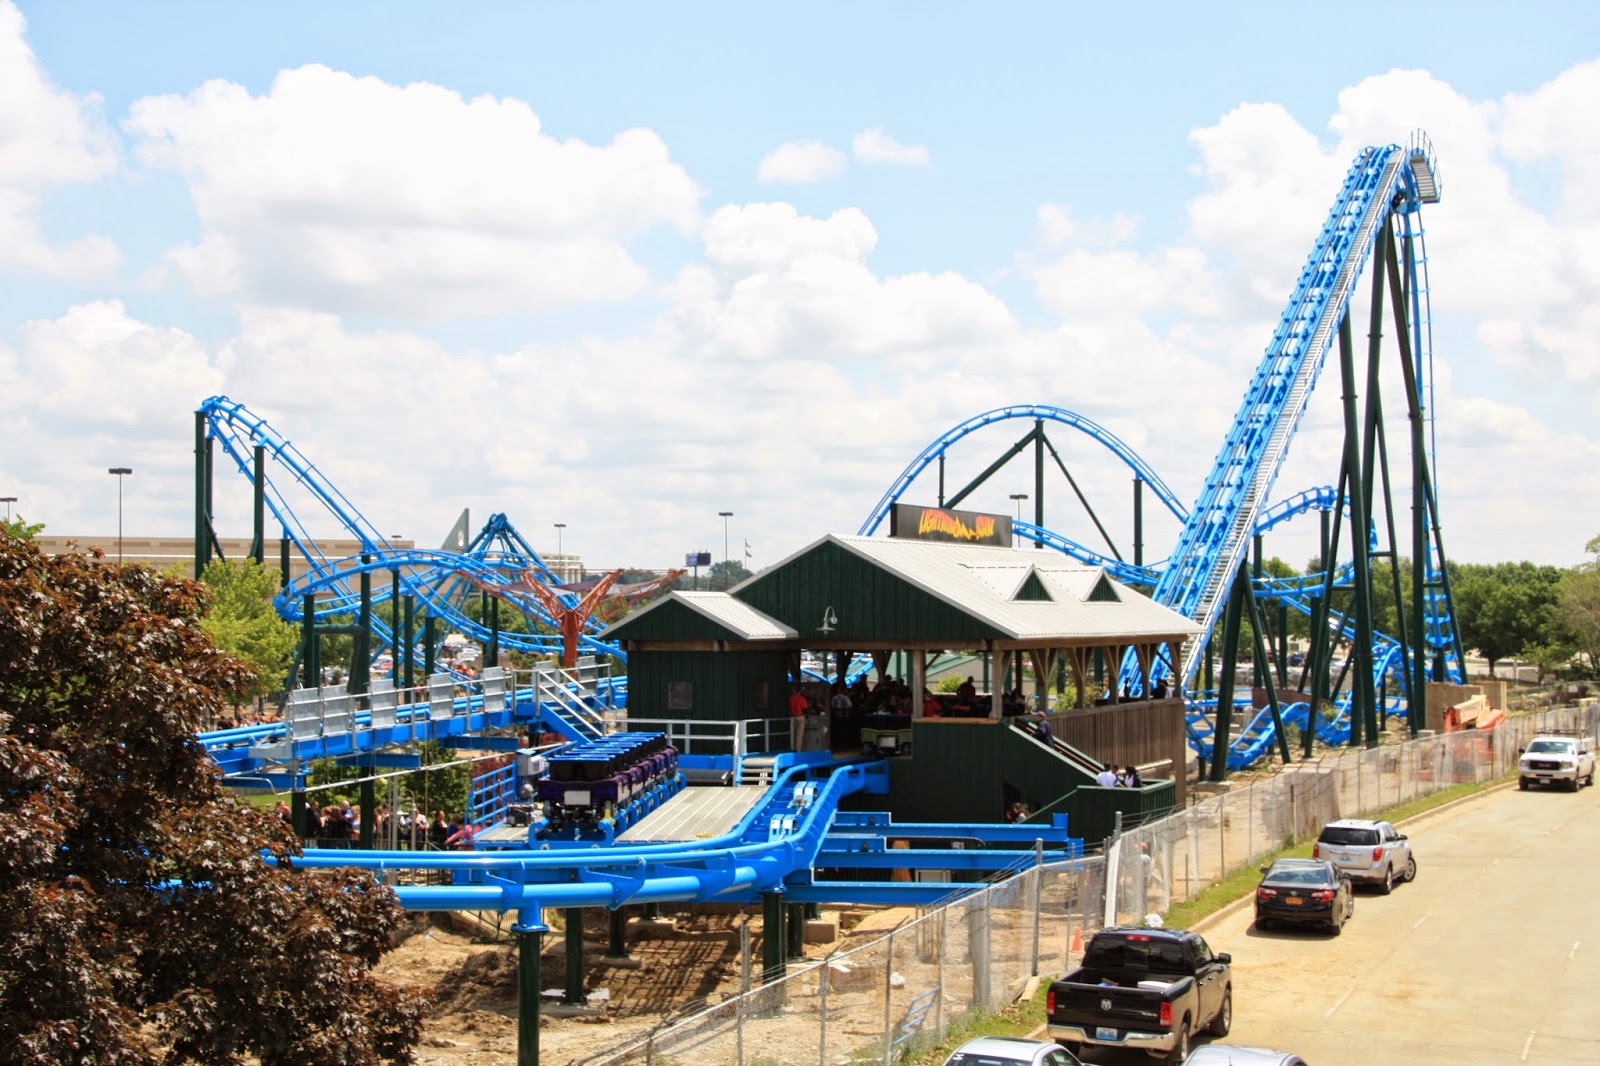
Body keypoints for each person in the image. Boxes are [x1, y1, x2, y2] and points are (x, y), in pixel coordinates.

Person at [788, 685, 809, 750]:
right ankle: (798, 750)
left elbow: (789, 707)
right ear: (800, 691)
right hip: (800, 717)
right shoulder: (802, 698)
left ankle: (792, 748)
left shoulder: (791, 698)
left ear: (794, 690)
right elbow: (805, 707)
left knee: (792, 733)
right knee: (799, 735)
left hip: (793, 717)